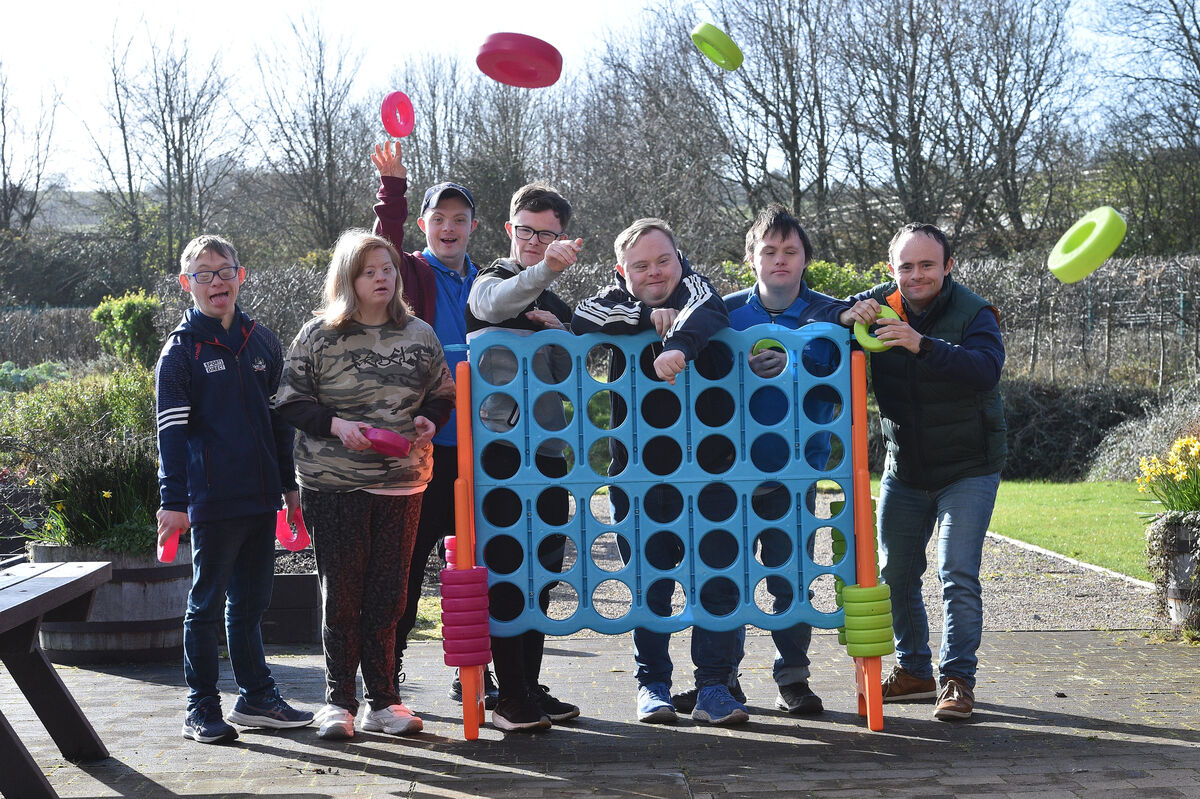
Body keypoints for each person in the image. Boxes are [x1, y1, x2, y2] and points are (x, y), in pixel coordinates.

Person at [276, 229, 456, 740]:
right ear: (348, 279)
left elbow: (442, 392)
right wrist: (337, 426)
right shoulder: (319, 334)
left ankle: (385, 701)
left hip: (403, 483)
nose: (382, 278)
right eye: (369, 271)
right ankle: (338, 702)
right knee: (343, 593)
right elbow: (289, 400)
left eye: (388, 270)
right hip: (334, 484)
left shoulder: (419, 333)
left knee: (390, 595)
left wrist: (430, 421)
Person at [572, 218, 747, 726]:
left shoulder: (696, 289)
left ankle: (714, 686)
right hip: (637, 474)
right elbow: (584, 317)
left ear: (680, 258)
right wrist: (648, 317)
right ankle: (653, 686)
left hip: (709, 470)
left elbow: (707, 307)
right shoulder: (616, 298)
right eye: (641, 266)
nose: (655, 272)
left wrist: (678, 344)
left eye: (663, 261)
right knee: (651, 581)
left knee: (715, 574)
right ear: (621, 271)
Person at [676, 204, 846, 718]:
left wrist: (795, 361)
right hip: (724, 476)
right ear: (750, 258)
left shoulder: (828, 315)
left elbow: (841, 379)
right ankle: (719, 682)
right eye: (768, 251)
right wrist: (739, 368)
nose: (779, 260)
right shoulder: (721, 314)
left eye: (790, 251)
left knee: (788, 579)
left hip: (795, 476)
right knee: (720, 578)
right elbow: (688, 377)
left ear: (804, 259)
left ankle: (793, 679)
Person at [837, 222, 1006, 721]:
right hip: (906, 465)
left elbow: (985, 368)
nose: (916, 275)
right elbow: (823, 311)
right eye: (905, 266)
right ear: (892, 269)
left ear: (948, 266)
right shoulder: (882, 301)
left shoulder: (974, 312)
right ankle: (914, 671)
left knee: (956, 573)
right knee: (896, 572)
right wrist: (848, 311)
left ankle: (957, 680)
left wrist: (919, 343)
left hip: (969, 466)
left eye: (927, 265)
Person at [155, 234, 313, 744]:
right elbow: (171, 434)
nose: (217, 281)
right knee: (205, 605)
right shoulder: (180, 353)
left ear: (241, 276)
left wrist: (289, 488)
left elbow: (280, 423)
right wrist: (172, 502)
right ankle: (201, 708)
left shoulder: (262, 340)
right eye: (204, 274)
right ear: (188, 284)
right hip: (212, 501)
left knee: (251, 604)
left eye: (225, 271)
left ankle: (257, 699)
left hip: (262, 496)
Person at [370, 141, 497, 707]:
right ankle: (386, 680)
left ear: (473, 226)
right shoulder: (410, 274)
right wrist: (392, 190)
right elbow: (383, 246)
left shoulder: (489, 282)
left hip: (483, 445)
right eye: (439, 218)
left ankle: (477, 674)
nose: (449, 227)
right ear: (425, 224)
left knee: (474, 566)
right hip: (423, 444)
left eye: (460, 219)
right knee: (406, 564)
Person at [465, 181, 582, 732]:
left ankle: (524, 685)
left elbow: (569, 376)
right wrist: (544, 274)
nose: (537, 243)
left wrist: (560, 336)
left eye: (549, 234)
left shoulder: (555, 302)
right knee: (509, 573)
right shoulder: (492, 280)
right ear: (510, 230)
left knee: (543, 575)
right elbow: (492, 306)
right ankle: (510, 698)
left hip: (550, 458)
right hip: (501, 459)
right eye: (528, 231)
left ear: (563, 236)